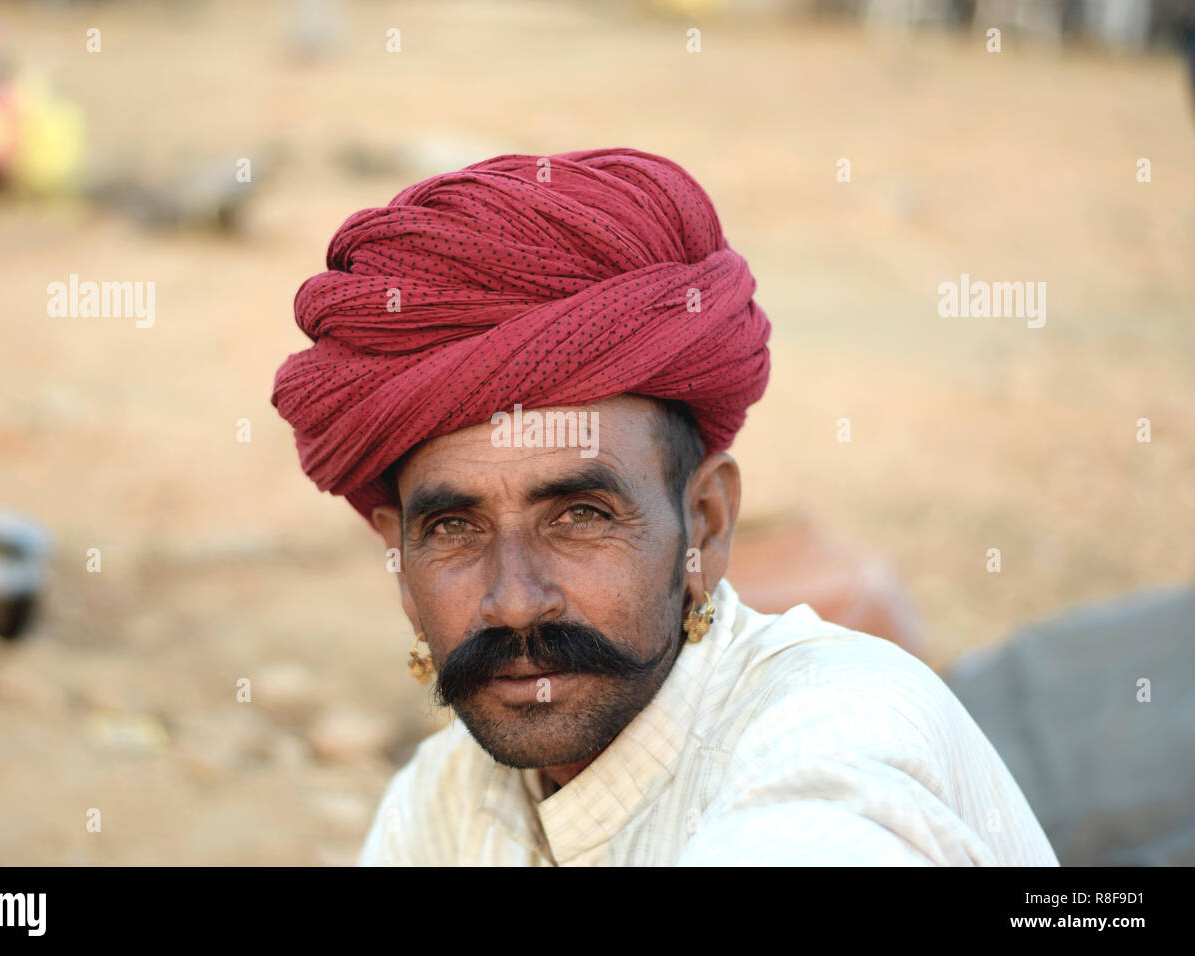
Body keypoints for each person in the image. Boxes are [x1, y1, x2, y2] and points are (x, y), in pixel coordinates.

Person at [271, 148, 1058, 866]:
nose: (514, 601)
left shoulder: (835, 739)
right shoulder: (444, 802)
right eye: (452, 528)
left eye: (580, 515)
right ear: (401, 569)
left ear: (707, 527)